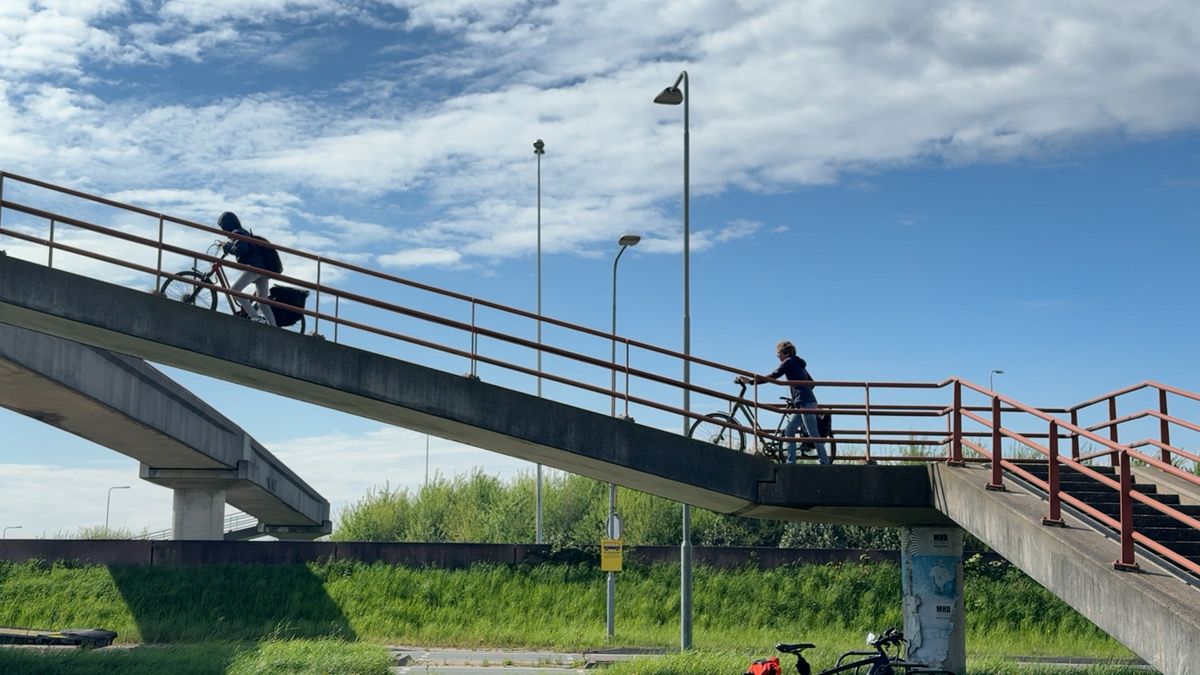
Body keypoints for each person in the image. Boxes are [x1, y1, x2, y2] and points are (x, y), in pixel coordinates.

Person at [737, 340, 830, 465]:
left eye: (778, 353)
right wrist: (798, 396)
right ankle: (791, 461)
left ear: (785, 352)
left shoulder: (789, 362)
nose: (777, 356)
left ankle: (824, 461)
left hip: (804, 402)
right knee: (790, 431)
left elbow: (773, 376)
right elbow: (811, 383)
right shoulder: (798, 363)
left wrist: (751, 381)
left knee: (813, 433)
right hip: (805, 401)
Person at [217, 211, 278, 327]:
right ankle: (274, 327)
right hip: (263, 270)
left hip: (254, 267)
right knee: (262, 302)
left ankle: (256, 317)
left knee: (234, 291)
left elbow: (242, 249)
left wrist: (227, 246)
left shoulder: (237, 232)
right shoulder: (243, 231)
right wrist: (229, 247)